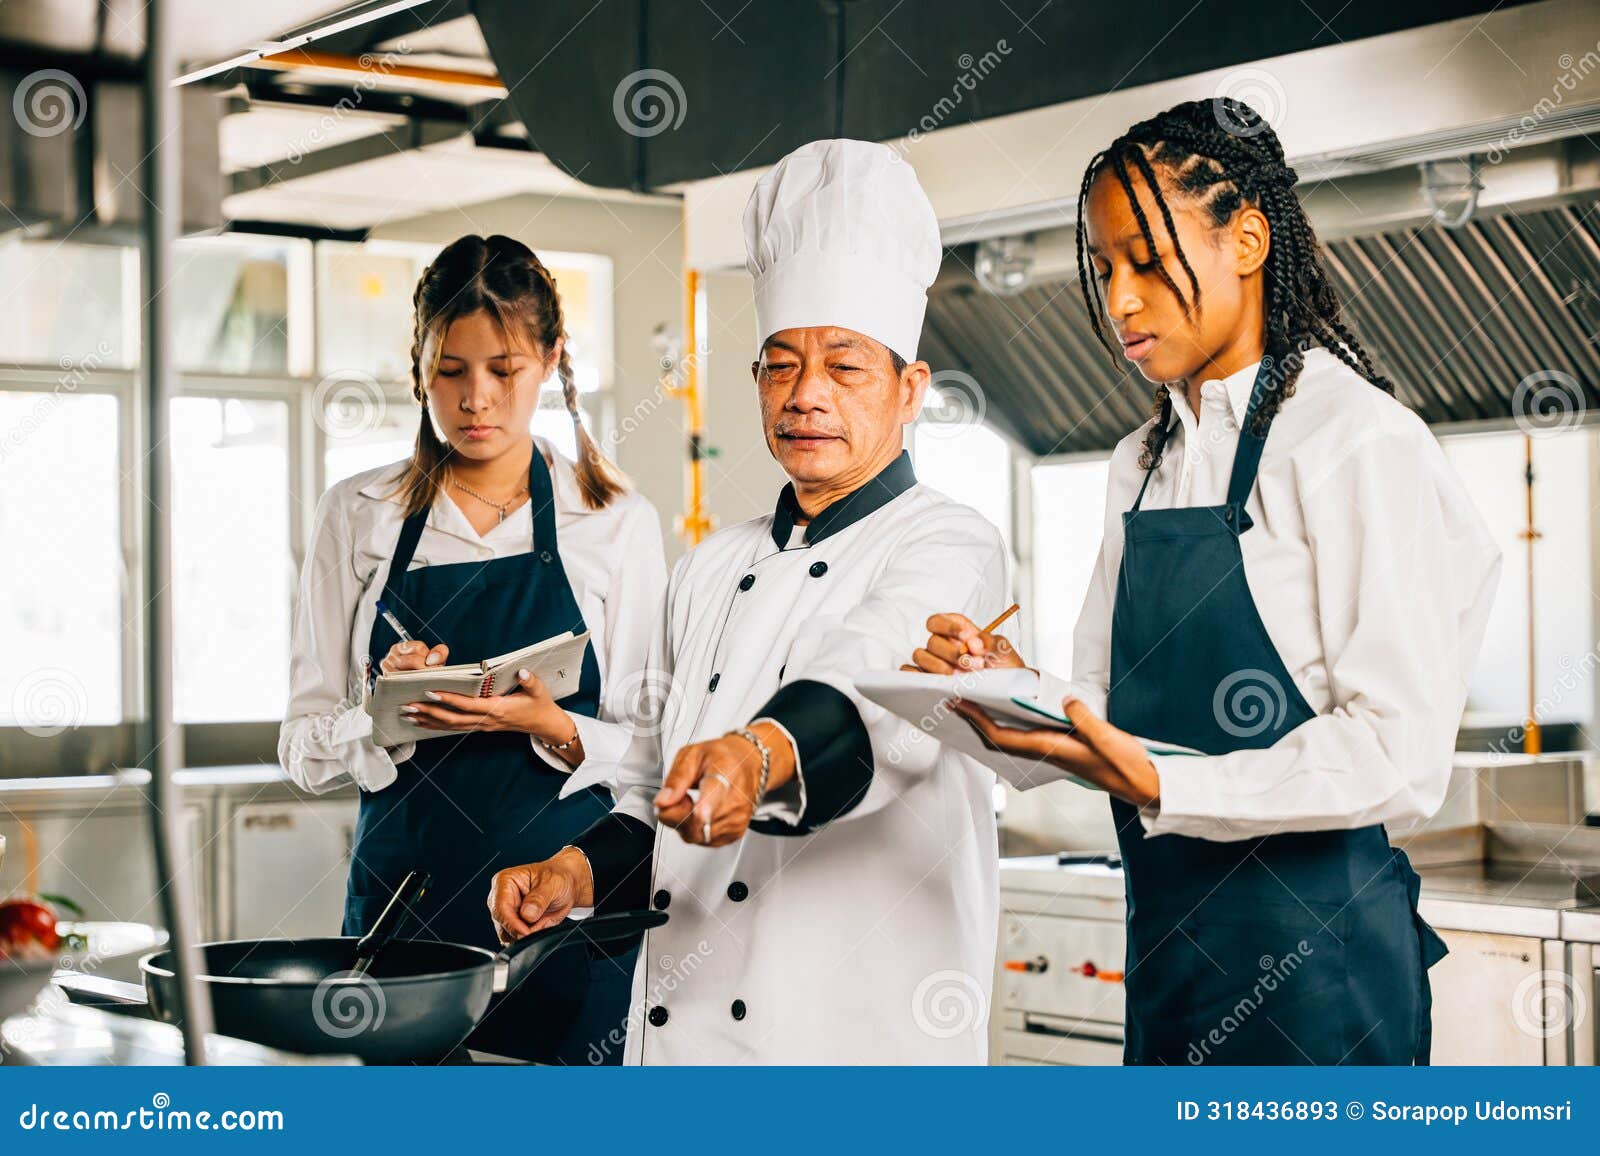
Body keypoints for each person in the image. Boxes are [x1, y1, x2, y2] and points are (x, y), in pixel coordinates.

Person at [912, 99, 1501, 1065]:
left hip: (1322, 977)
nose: (1122, 300)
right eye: (1104, 270)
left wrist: (1161, 779)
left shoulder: (1359, 442)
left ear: (1248, 240)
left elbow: (1395, 753)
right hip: (1170, 954)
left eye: (1147, 259)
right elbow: (1098, 714)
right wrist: (1006, 684)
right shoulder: (1138, 461)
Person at [489, 139, 1010, 1064]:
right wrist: (579, 868)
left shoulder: (950, 543)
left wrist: (752, 754)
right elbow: (655, 775)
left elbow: (869, 688)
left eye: (844, 368)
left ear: (910, 391)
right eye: (780, 366)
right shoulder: (709, 566)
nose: (806, 396)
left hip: (858, 1054)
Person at [278, 234, 667, 1063]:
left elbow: (648, 757)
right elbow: (301, 750)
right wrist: (381, 716)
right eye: (450, 371)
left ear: (551, 359)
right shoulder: (359, 513)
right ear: (418, 368)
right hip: (405, 916)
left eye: (505, 370)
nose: (476, 399)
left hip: (561, 917)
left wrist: (549, 726)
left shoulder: (614, 521)